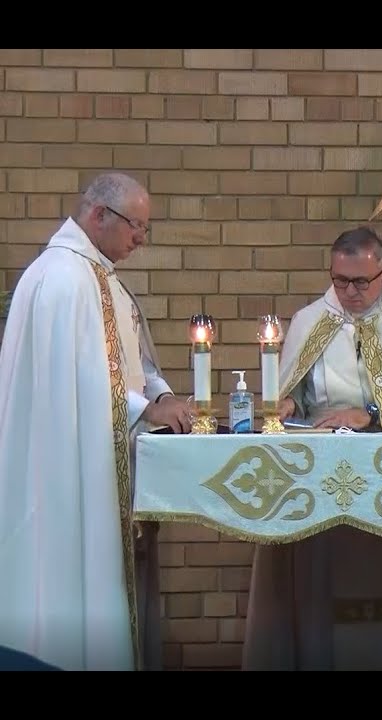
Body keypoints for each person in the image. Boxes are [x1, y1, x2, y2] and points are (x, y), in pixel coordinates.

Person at [0, 172, 190, 671]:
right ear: (98, 214)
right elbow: (77, 380)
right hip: (64, 468)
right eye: (136, 227)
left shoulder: (97, 278)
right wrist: (144, 410)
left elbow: (134, 364)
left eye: (146, 229)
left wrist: (163, 396)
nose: (140, 239)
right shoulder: (65, 279)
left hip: (98, 451)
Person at [241, 226, 382, 671]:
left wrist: (369, 415)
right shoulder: (308, 321)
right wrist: (285, 402)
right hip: (317, 475)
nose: (350, 293)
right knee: (316, 589)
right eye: (340, 281)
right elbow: (295, 397)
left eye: (361, 282)